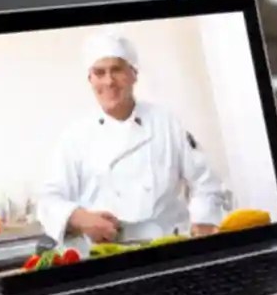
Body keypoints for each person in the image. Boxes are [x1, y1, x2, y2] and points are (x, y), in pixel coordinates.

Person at [35, 31, 229, 244]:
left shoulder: (167, 123)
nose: (109, 81)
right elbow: (48, 200)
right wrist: (79, 217)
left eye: (116, 70)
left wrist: (203, 221)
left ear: (133, 74)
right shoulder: (74, 138)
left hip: (170, 244)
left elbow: (206, 182)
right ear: (90, 79)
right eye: (99, 73)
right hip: (107, 253)